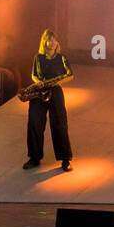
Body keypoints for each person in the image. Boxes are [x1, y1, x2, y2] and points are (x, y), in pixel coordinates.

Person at [24, 28, 74, 172]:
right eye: (49, 39)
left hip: (55, 92)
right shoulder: (38, 57)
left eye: (54, 39)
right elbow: (33, 74)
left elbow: (70, 75)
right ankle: (34, 158)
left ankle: (65, 159)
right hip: (39, 92)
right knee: (34, 123)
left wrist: (58, 82)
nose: (52, 42)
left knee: (60, 124)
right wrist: (38, 81)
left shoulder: (61, 58)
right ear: (44, 42)